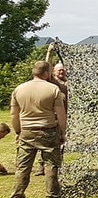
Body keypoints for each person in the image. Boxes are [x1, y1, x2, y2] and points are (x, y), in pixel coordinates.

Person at [9, 60, 68, 198]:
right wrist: (63, 132)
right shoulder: (53, 90)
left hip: (27, 131)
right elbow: (61, 115)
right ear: (47, 73)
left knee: (23, 167)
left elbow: (14, 115)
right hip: (48, 130)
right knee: (51, 166)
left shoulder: (19, 89)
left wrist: (18, 131)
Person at [35, 43, 69, 177]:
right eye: (59, 70)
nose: (62, 72)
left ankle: (57, 166)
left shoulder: (67, 83)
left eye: (63, 70)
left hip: (64, 116)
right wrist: (49, 52)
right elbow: (46, 66)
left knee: (61, 143)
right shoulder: (52, 82)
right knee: (45, 143)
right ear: (53, 72)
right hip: (51, 118)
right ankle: (41, 166)